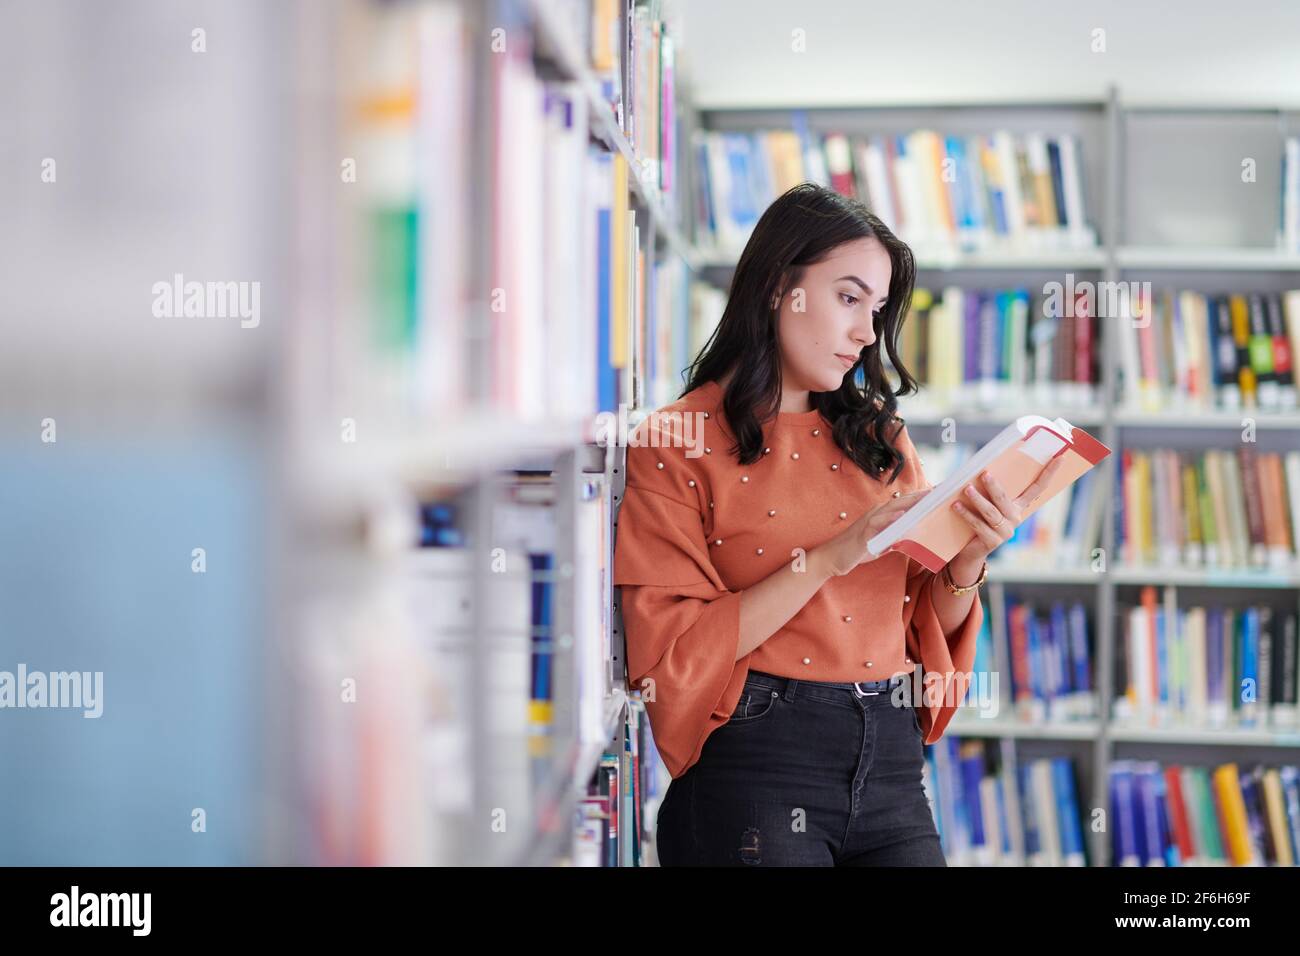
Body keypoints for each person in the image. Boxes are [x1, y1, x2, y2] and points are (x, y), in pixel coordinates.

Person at [611, 182, 1063, 866]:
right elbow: (668, 657)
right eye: (848, 298)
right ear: (776, 287)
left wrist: (969, 560)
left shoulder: (879, 437)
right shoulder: (674, 439)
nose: (865, 332)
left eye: (876, 310)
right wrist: (831, 556)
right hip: (756, 767)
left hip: (891, 765)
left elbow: (921, 629)